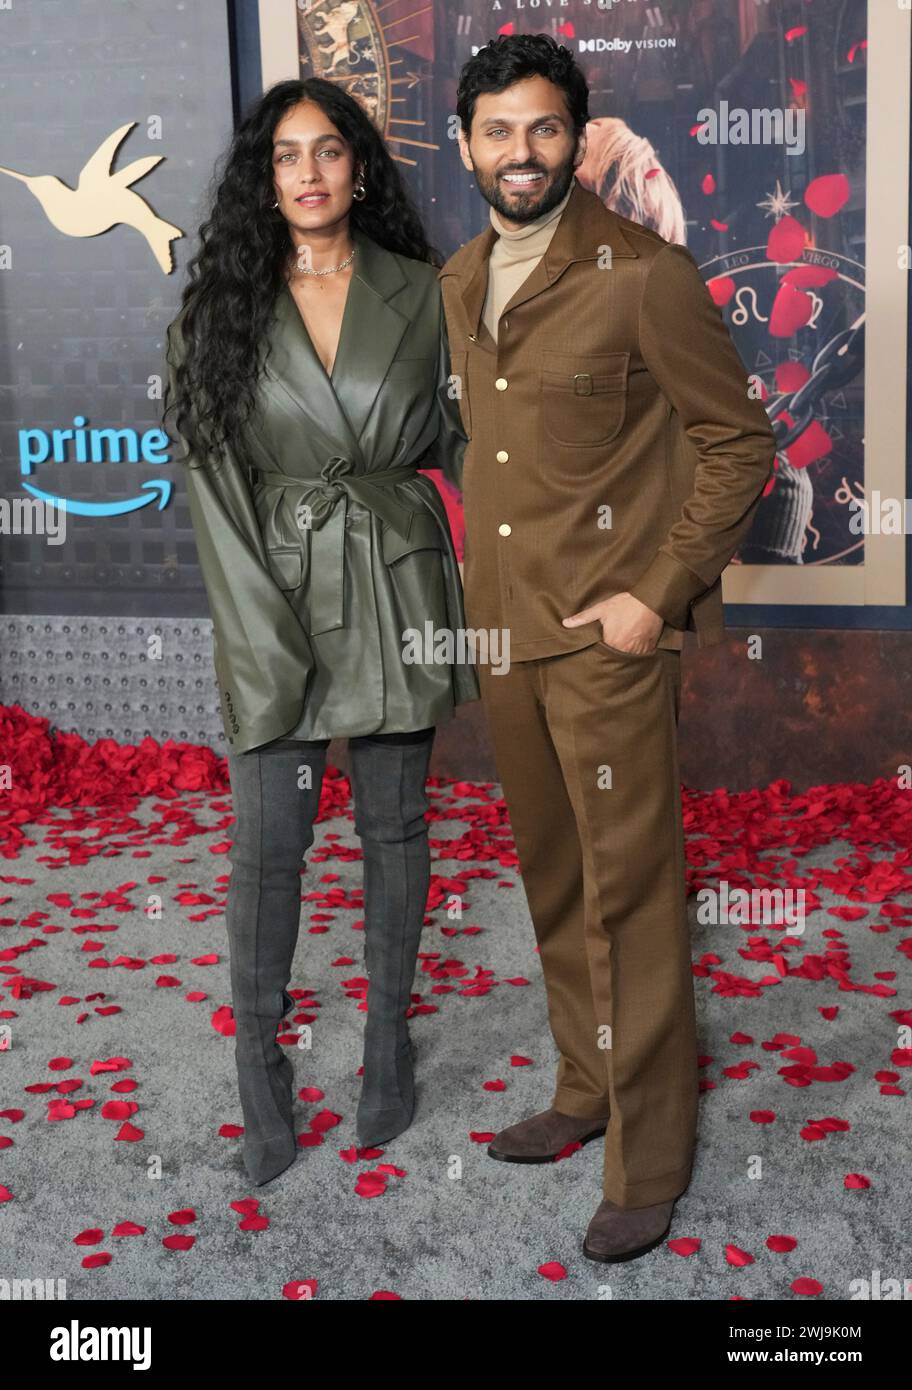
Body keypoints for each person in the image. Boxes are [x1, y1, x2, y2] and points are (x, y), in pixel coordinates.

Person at [439, 34, 777, 1262]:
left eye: (543, 128)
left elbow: (739, 444)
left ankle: (653, 1155)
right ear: (467, 145)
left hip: (606, 641)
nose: (520, 151)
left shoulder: (644, 275)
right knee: (555, 876)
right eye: (497, 130)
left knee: (628, 895)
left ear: (577, 140)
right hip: (507, 633)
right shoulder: (459, 278)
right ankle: (584, 1088)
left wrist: (656, 593)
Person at [164, 77, 478, 1187]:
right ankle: (262, 1071)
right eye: (286, 154)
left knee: (395, 828)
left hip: (397, 588)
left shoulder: (425, 291)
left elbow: (469, 439)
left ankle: (388, 1046)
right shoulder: (218, 312)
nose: (308, 172)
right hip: (278, 593)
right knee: (269, 845)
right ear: (264, 177)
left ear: (359, 166)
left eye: (329, 149)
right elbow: (214, 493)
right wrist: (264, 637)